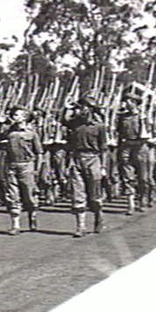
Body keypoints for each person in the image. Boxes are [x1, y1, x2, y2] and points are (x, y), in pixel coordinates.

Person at [61, 93, 107, 237]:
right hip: (77, 159)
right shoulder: (75, 123)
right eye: (80, 107)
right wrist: (68, 108)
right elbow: (64, 120)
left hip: (93, 159)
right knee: (77, 194)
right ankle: (81, 226)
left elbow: (104, 148)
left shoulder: (99, 126)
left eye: (84, 107)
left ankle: (98, 216)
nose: (81, 110)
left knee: (94, 196)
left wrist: (103, 167)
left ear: (91, 109)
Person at [2, 104, 43, 235]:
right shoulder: (8, 132)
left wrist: (37, 169)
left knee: (29, 195)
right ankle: (15, 225)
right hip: (12, 165)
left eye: (17, 115)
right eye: (13, 115)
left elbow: (39, 152)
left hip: (27, 165)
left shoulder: (31, 133)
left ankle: (32, 216)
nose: (14, 117)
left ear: (24, 117)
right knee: (12, 196)